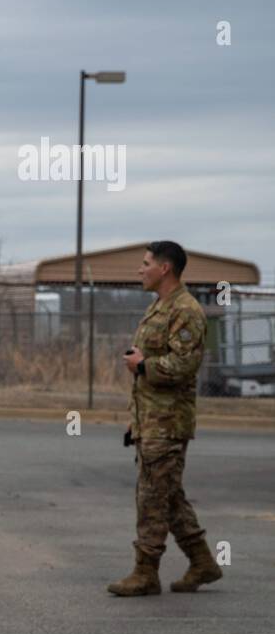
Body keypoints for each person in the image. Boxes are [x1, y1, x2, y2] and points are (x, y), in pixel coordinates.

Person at [109, 242, 221, 596]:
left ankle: (145, 573)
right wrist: (135, 420)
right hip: (152, 420)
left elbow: (185, 365)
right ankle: (202, 561)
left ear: (165, 268)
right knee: (168, 497)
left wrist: (143, 364)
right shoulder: (160, 306)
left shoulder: (185, 310)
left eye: (145, 264)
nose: (140, 270)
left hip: (168, 423)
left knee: (152, 499)